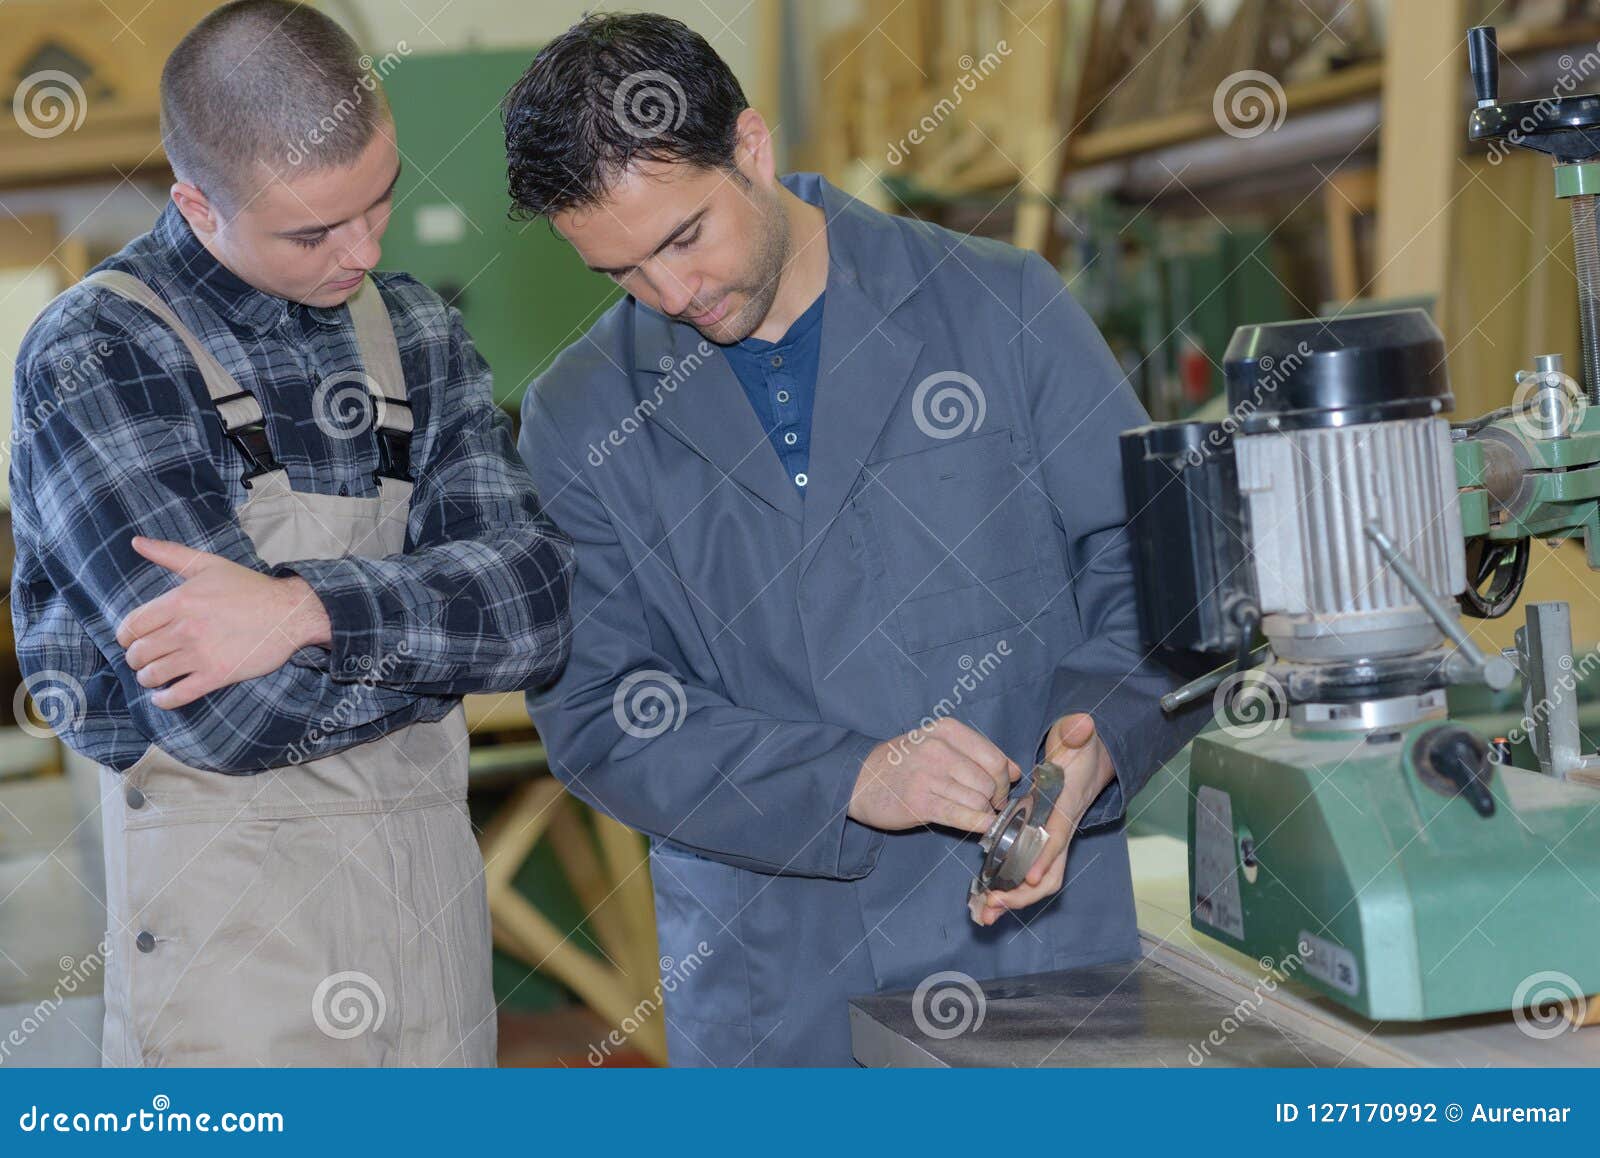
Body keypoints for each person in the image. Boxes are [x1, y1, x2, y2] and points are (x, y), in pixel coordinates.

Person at [504, 12, 1205, 1065]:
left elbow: (1155, 573)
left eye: (684, 237)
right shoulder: (581, 414)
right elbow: (600, 710)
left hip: (1031, 957)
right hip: (774, 991)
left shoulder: (998, 307)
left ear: (752, 149)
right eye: (621, 275)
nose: (672, 297)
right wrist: (845, 780)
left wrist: (1098, 735)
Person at [9, 0, 573, 1066]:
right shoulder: (98, 356)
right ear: (198, 203)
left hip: (438, 969)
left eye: (381, 200)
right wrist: (438, 635)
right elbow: (233, 714)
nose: (363, 250)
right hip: (245, 993)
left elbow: (538, 610)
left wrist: (298, 609)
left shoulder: (414, 329)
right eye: (314, 231)